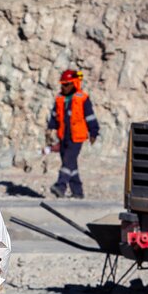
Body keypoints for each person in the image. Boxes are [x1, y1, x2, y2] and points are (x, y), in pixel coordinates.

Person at [48, 66, 100, 199]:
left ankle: (60, 186)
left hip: (77, 137)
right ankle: (78, 192)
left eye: (67, 84)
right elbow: (54, 116)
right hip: (63, 136)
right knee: (72, 165)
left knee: (67, 161)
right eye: (63, 84)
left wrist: (93, 132)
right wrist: (50, 129)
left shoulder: (82, 98)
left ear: (74, 83)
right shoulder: (60, 98)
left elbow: (90, 117)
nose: (64, 87)